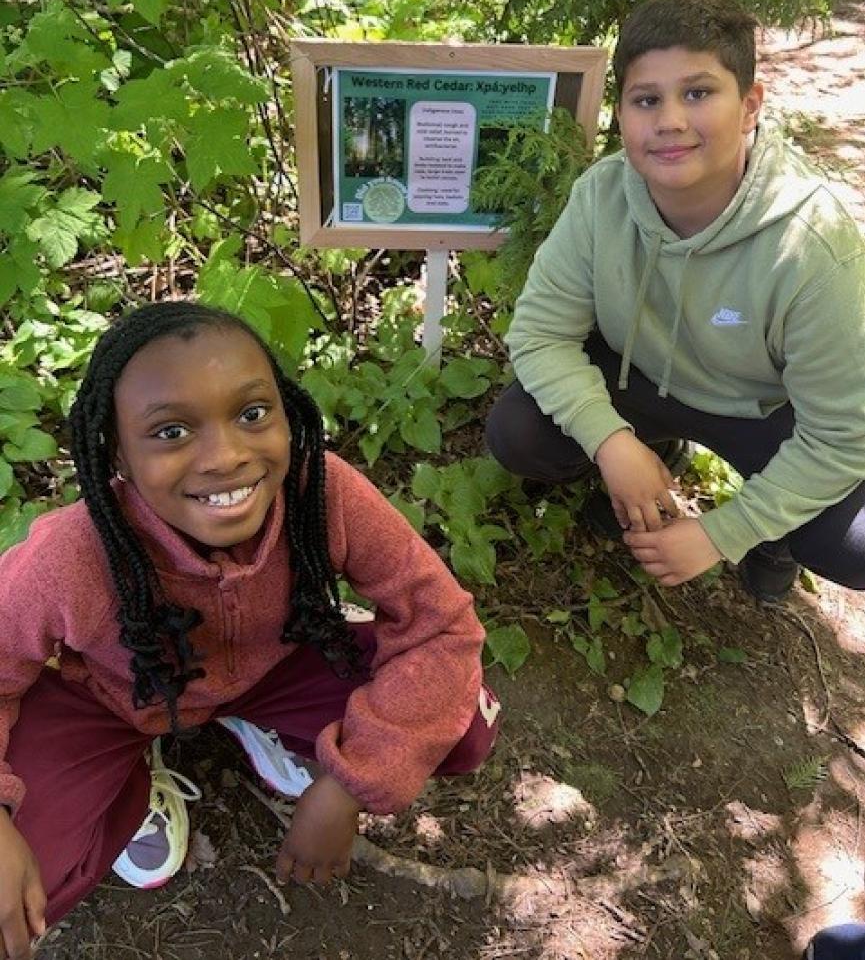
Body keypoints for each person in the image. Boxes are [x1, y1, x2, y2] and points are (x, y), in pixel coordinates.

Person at [0, 301, 500, 960]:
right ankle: (128, 778)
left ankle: (255, 720)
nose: (226, 455)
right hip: (118, 697)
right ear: (117, 451)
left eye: (252, 413)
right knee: (19, 893)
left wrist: (351, 781)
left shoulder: (322, 492)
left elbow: (444, 625)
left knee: (462, 728)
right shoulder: (74, 555)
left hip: (277, 662)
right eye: (171, 430)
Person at [486, 0, 865, 600]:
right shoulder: (601, 196)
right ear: (622, 115)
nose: (669, 120)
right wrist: (612, 445)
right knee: (518, 431)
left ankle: (775, 538)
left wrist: (723, 532)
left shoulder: (813, 244)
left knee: (856, 544)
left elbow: (843, 435)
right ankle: (655, 452)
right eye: (646, 99)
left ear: (749, 106)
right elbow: (539, 334)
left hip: (761, 411)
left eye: (697, 93)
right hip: (642, 381)